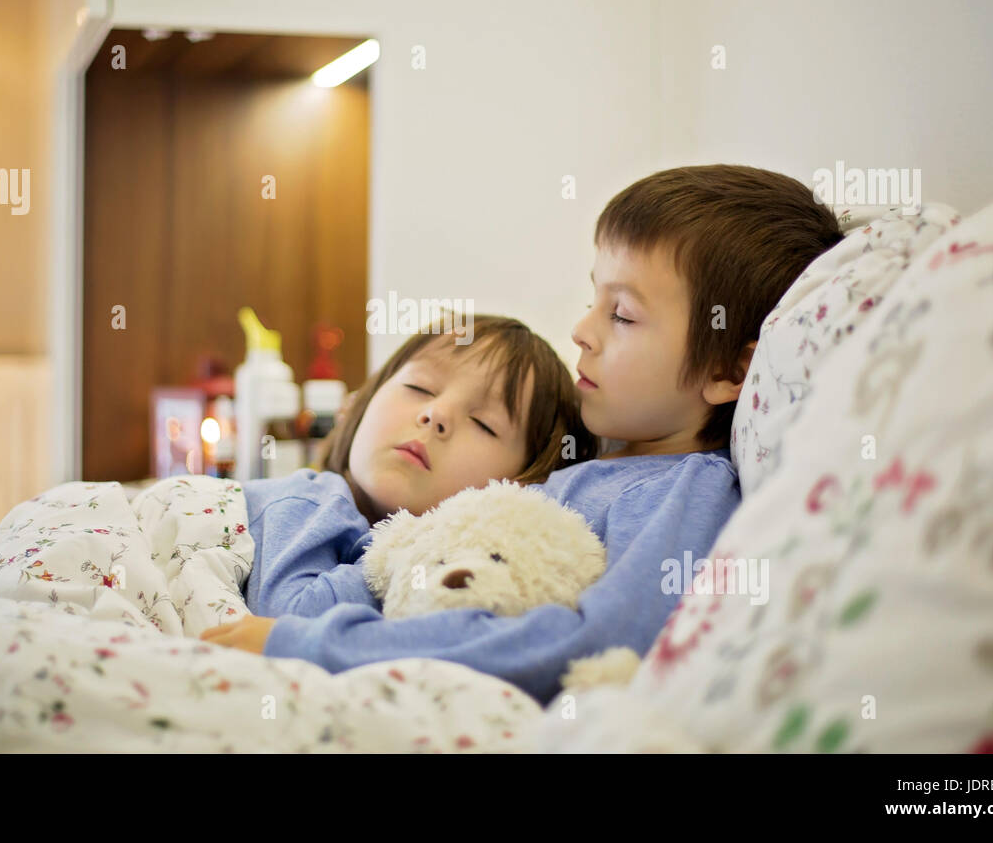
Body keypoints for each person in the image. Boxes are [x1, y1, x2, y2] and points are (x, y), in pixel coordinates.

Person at [206, 165, 845, 706]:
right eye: (596, 300)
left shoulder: (678, 492)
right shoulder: (592, 473)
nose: (583, 331)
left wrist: (313, 644)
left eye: (622, 314)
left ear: (726, 370)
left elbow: (594, 643)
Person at [239, 314, 598, 618]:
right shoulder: (309, 499)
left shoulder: (479, 575)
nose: (435, 414)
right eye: (419, 387)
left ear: (522, 485)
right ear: (360, 404)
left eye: (484, 423)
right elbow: (286, 620)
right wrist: (408, 556)